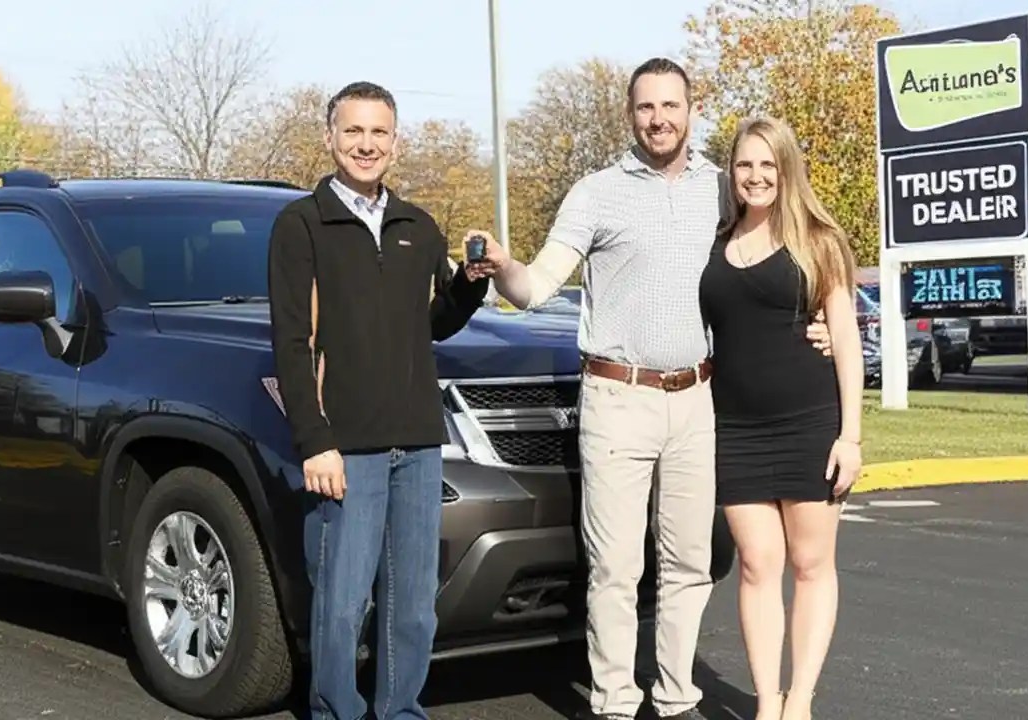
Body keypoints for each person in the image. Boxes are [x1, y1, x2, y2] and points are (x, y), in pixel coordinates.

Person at [486, 58, 831, 720]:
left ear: (692, 110)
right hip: (618, 399)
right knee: (616, 570)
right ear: (629, 114)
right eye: (647, 108)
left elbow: (781, 257)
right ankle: (617, 703)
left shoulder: (722, 188)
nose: (659, 119)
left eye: (671, 106)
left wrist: (817, 317)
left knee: (689, 566)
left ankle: (676, 701)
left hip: (698, 400)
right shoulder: (595, 192)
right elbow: (535, 288)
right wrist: (505, 266)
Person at [266, 81, 506, 720]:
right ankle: (335, 711)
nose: (365, 145)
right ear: (330, 137)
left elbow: (432, 323)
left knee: (412, 606)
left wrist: (469, 286)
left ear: (395, 143)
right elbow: (291, 340)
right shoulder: (300, 225)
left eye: (378, 133)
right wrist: (315, 440)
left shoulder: (418, 226)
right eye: (353, 131)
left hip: (419, 442)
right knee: (343, 603)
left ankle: (401, 710)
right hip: (345, 448)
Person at [698, 115, 863, 720]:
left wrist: (851, 436)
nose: (756, 176)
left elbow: (844, 340)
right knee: (757, 564)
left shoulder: (819, 240)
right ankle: (767, 702)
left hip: (810, 424)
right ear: (732, 172)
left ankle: (801, 701)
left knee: (811, 564)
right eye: (745, 165)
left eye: (768, 164)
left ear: (786, 169)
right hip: (734, 429)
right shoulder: (713, 242)